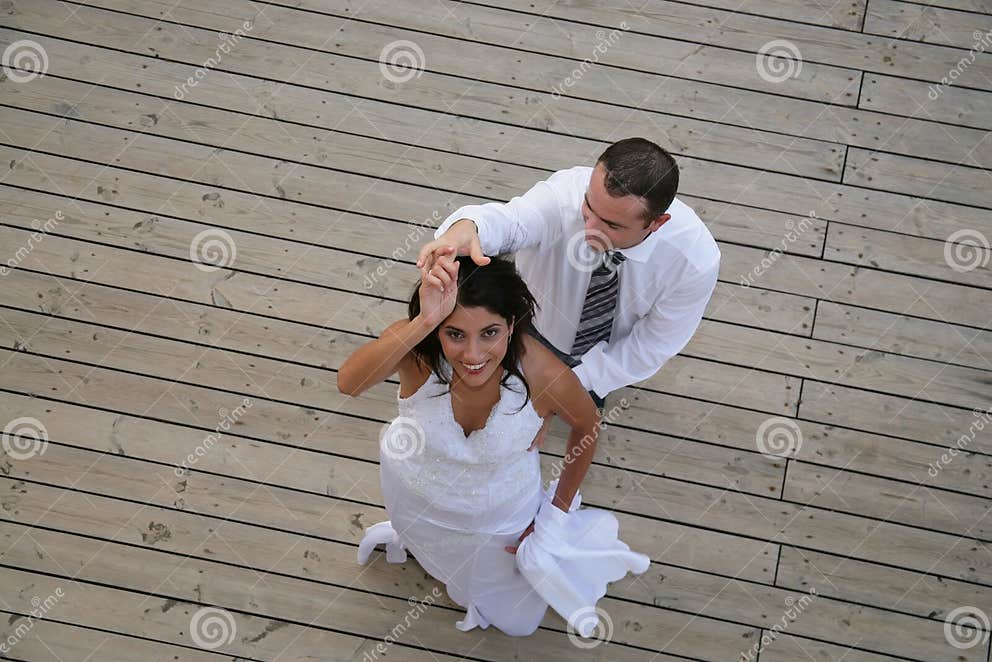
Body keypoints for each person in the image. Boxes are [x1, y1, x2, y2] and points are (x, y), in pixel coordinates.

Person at [338, 255, 649, 637]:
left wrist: (555, 516)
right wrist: (424, 321)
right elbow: (349, 384)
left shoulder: (544, 375)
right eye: (455, 334)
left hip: (497, 519)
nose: (472, 355)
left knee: (517, 621)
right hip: (415, 494)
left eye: (489, 333)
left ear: (512, 325)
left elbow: (587, 425)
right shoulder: (416, 351)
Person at [417, 137, 720, 426]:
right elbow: (514, 220)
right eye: (589, 208)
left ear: (656, 223)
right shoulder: (564, 193)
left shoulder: (695, 261)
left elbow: (654, 343)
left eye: (611, 225)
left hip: (604, 356)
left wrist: (569, 386)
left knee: (574, 414)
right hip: (527, 325)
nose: (591, 230)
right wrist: (468, 228)